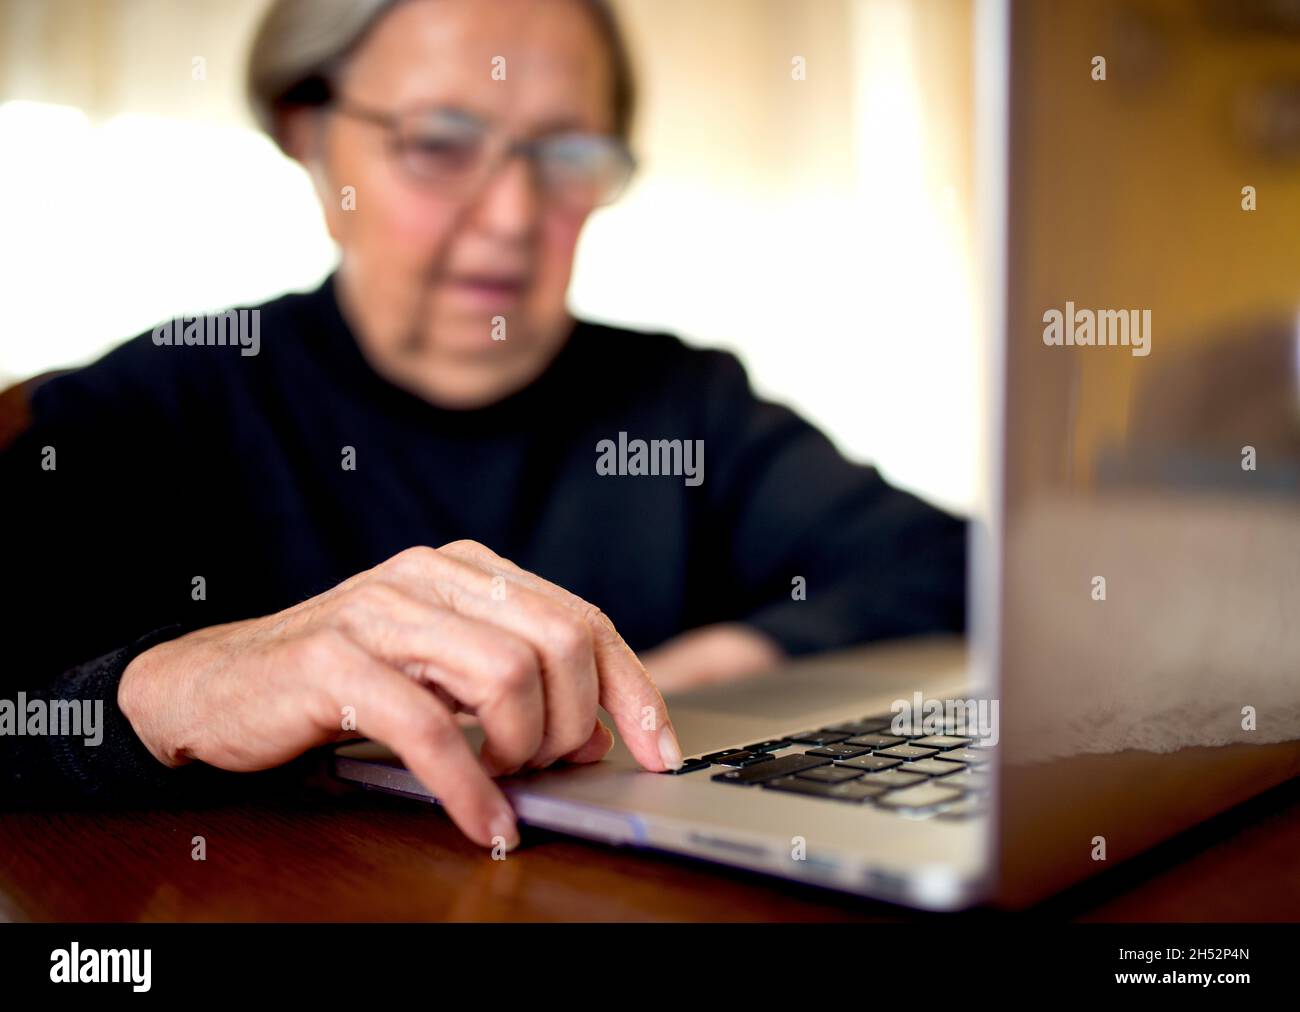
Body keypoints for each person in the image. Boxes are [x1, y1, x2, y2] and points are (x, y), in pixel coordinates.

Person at [0, 0, 965, 851]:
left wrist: (711, 670)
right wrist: (177, 689)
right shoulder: (157, 404)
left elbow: (954, 563)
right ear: (311, 135)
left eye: (566, 154)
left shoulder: (683, 404)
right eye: (439, 143)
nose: (510, 214)